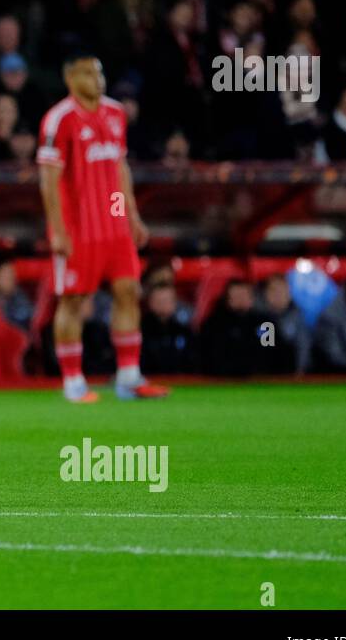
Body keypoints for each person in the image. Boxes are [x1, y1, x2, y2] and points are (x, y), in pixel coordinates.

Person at [37, 53, 169, 402]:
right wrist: (58, 230)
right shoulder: (58, 119)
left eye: (99, 71)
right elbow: (49, 180)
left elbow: (120, 165)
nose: (98, 79)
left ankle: (128, 377)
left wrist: (133, 214)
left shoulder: (115, 113)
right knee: (74, 301)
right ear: (70, 79)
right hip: (79, 230)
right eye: (87, 73)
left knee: (128, 292)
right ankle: (73, 382)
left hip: (115, 227)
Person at [199, 279, 262, 377]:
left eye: (244, 295)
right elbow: (208, 356)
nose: (240, 300)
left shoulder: (265, 324)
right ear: (227, 299)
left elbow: (271, 352)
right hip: (221, 381)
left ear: (251, 298)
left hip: (260, 381)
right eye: (236, 296)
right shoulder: (214, 324)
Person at [258, 273, 311, 374]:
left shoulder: (297, 317)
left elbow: (303, 348)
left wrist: (299, 372)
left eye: (282, 291)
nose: (278, 295)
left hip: (290, 376)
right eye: (274, 291)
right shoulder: (257, 318)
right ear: (265, 294)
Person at [140, 282, 197, 374]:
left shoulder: (184, 332)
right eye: (159, 301)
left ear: (175, 303)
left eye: (167, 300)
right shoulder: (140, 332)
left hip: (182, 382)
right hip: (150, 380)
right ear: (150, 302)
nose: (163, 305)